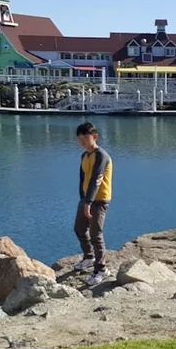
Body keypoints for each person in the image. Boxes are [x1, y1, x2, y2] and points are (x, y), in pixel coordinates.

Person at [73, 122, 113, 285]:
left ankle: (101, 269)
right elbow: (83, 179)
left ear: (95, 137)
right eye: (80, 138)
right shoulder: (85, 156)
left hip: (99, 200)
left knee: (96, 234)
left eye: (86, 137)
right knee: (80, 229)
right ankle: (89, 257)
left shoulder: (101, 156)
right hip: (87, 199)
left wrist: (88, 202)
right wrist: (83, 199)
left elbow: (97, 179)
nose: (82, 141)